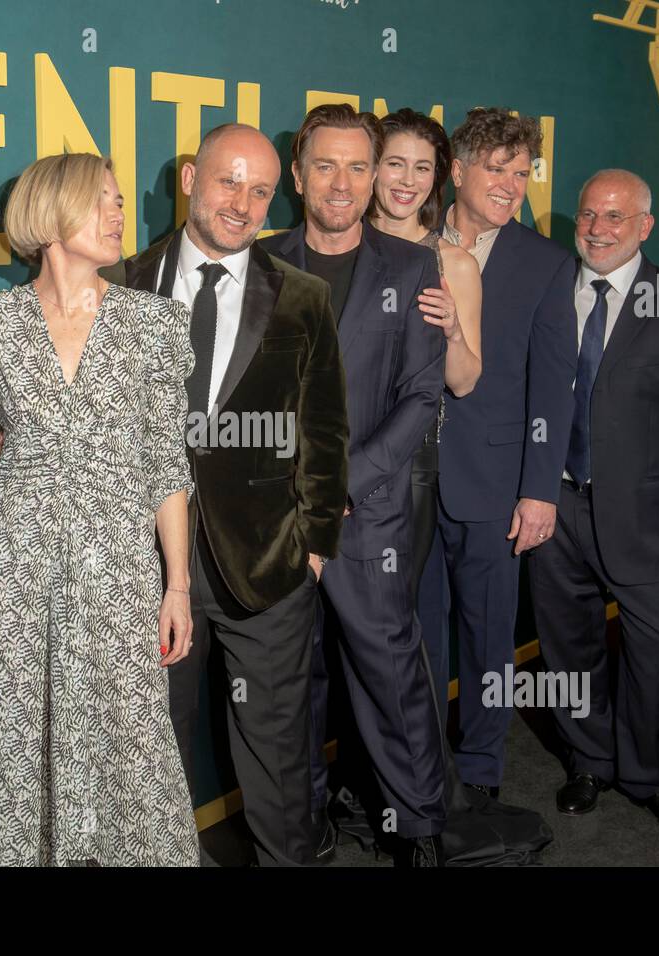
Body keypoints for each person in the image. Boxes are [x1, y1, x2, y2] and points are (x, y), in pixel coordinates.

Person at [104, 123, 350, 866]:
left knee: (277, 764)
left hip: (270, 568)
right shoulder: (121, 284)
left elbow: (326, 429)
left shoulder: (303, 296)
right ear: (187, 179)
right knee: (153, 755)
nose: (242, 203)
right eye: (226, 181)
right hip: (149, 570)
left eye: (260, 189)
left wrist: (313, 551)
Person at [0, 153, 199, 866]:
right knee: (15, 750)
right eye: (102, 200)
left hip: (119, 576)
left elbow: (166, 464)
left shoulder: (152, 323)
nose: (119, 214)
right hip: (12, 575)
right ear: (51, 213)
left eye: (122, 200)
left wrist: (178, 585)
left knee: (134, 747)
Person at [262, 104, 450, 865]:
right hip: (273, 520)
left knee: (389, 676)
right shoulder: (261, 262)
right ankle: (301, 829)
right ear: (299, 174)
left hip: (367, 516)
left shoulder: (412, 268)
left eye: (358, 167)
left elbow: (422, 397)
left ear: (374, 178)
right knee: (286, 687)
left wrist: (339, 485)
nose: (343, 184)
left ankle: (419, 824)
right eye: (326, 166)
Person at [527, 169, 659, 835]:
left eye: (616, 217)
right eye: (588, 215)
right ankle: (588, 759)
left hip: (649, 517)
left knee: (655, 651)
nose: (598, 229)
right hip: (555, 508)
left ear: (645, 226)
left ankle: (649, 773)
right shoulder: (549, 289)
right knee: (567, 647)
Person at [429, 108, 577, 800]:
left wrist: (540, 489)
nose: (512, 184)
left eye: (522, 173)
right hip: (402, 484)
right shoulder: (405, 243)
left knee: (488, 643)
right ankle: (417, 774)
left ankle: (481, 778)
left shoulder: (545, 262)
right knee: (414, 642)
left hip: (493, 486)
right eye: (498, 168)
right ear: (457, 170)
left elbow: (553, 385)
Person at [367, 108, 483, 711]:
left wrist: (457, 331)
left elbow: (463, 382)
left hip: (409, 470)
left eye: (422, 168)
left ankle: (397, 784)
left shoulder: (453, 263)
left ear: (438, 179)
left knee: (389, 622)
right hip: (334, 458)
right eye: (394, 164)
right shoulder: (336, 243)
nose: (406, 180)